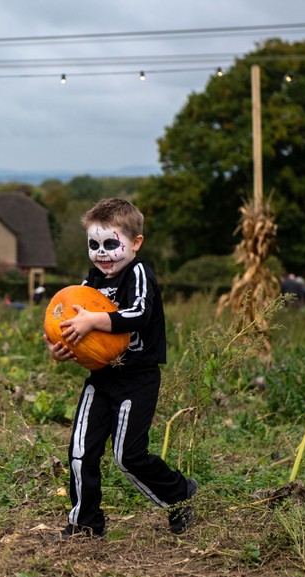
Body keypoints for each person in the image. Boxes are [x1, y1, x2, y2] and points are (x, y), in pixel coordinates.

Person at [44, 197, 197, 539]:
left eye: (111, 244)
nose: (102, 253)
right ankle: (86, 523)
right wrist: (59, 349)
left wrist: (93, 321)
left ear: (135, 242)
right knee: (80, 452)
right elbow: (73, 329)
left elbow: (140, 314)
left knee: (128, 456)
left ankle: (178, 494)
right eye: (93, 245)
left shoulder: (138, 273)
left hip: (138, 378)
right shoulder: (90, 283)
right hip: (101, 378)